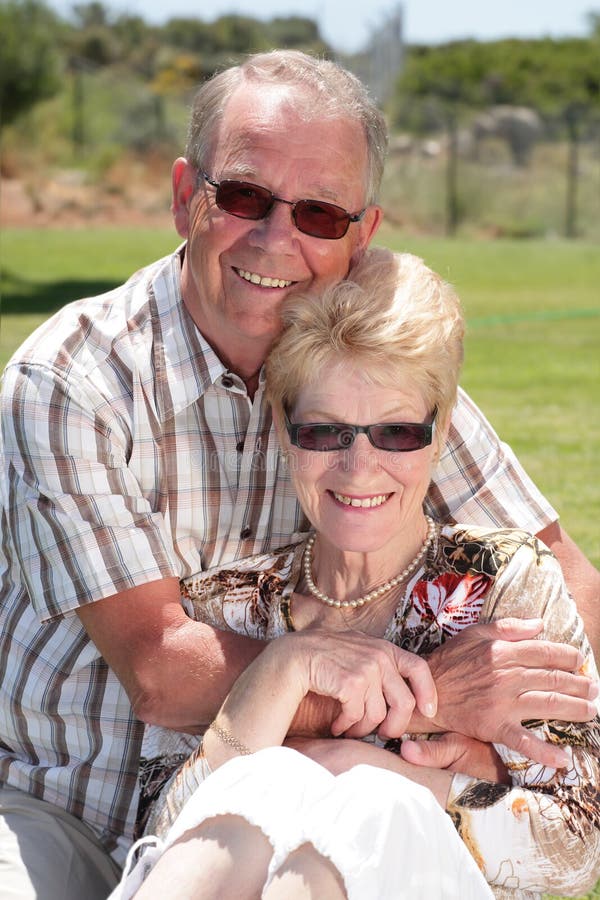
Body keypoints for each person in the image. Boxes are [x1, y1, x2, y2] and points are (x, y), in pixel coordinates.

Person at [0, 49, 597, 898]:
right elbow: (162, 671)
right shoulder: (69, 380)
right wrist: (431, 695)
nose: (277, 238)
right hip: (62, 806)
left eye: (318, 212)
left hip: (278, 797)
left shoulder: (367, 370)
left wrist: (538, 737)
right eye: (244, 196)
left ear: (362, 234)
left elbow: (562, 576)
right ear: (184, 196)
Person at [110, 248, 600, 899]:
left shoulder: (506, 582)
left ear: (440, 432)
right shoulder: (227, 604)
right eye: (324, 432)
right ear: (285, 429)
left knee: (373, 799)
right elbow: (164, 838)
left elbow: (577, 844)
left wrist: (357, 763)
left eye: (396, 433)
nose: (360, 468)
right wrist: (283, 668)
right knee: (279, 780)